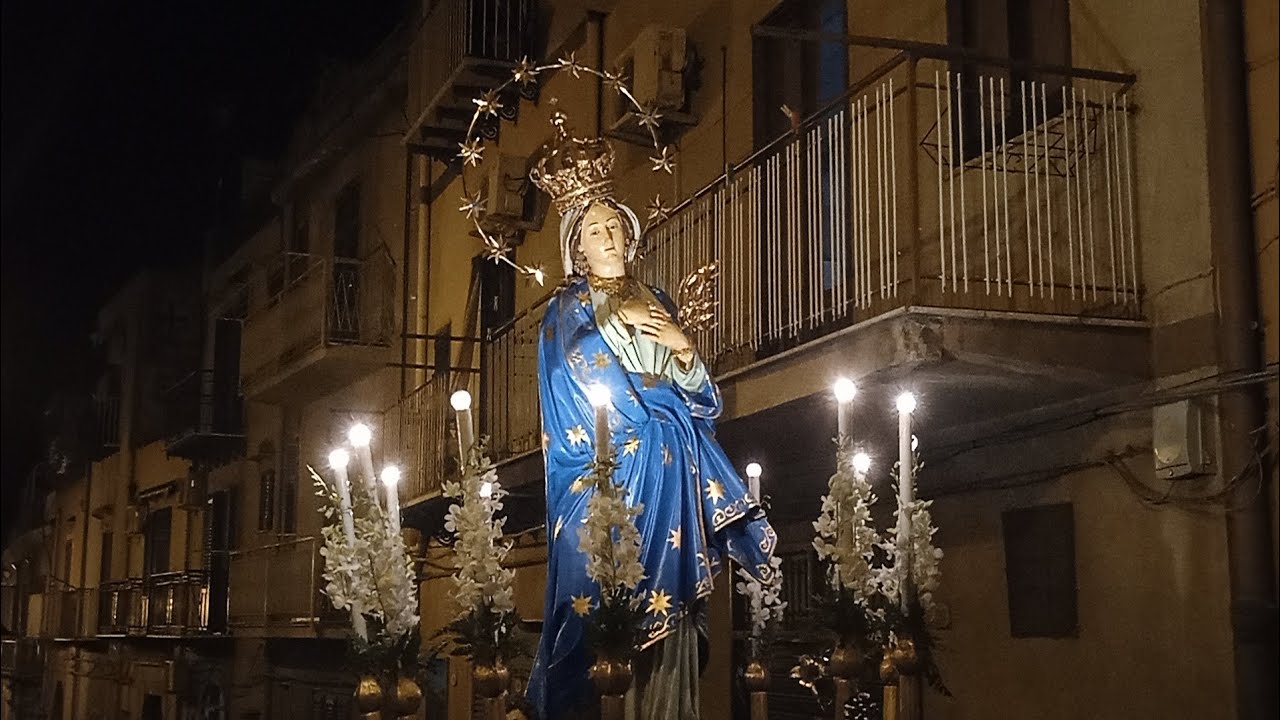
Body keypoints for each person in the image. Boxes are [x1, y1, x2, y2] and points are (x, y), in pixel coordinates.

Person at [525, 115, 776, 719]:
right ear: (575, 247)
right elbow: (571, 384)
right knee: (608, 600)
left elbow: (700, 398)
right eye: (595, 230)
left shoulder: (656, 300)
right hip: (610, 470)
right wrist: (651, 405)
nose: (609, 237)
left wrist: (683, 348)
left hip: (672, 465)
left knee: (678, 615)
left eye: (616, 226)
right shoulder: (564, 313)